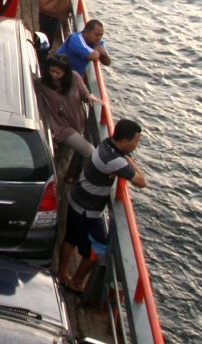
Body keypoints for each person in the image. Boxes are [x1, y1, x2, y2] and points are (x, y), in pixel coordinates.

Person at [59, 118, 147, 293]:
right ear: (124, 142)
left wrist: (124, 159)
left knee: (71, 238)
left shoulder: (106, 144)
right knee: (98, 249)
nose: (137, 145)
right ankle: (75, 282)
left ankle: (62, 274)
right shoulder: (115, 160)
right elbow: (141, 181)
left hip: (77, 196)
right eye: (136, 141)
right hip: (87, 209)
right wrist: (129, 161)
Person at [35, 52, 101, 159]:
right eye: (52, 71)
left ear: (66, 73)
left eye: (58, 73)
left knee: (65, 157)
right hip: (61, 126)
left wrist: (89, 97)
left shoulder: (75, 77)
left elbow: (84, 93)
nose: (54, 75)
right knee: (90, 151)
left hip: (77, 123)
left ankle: (60, 174)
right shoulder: (42, 83)